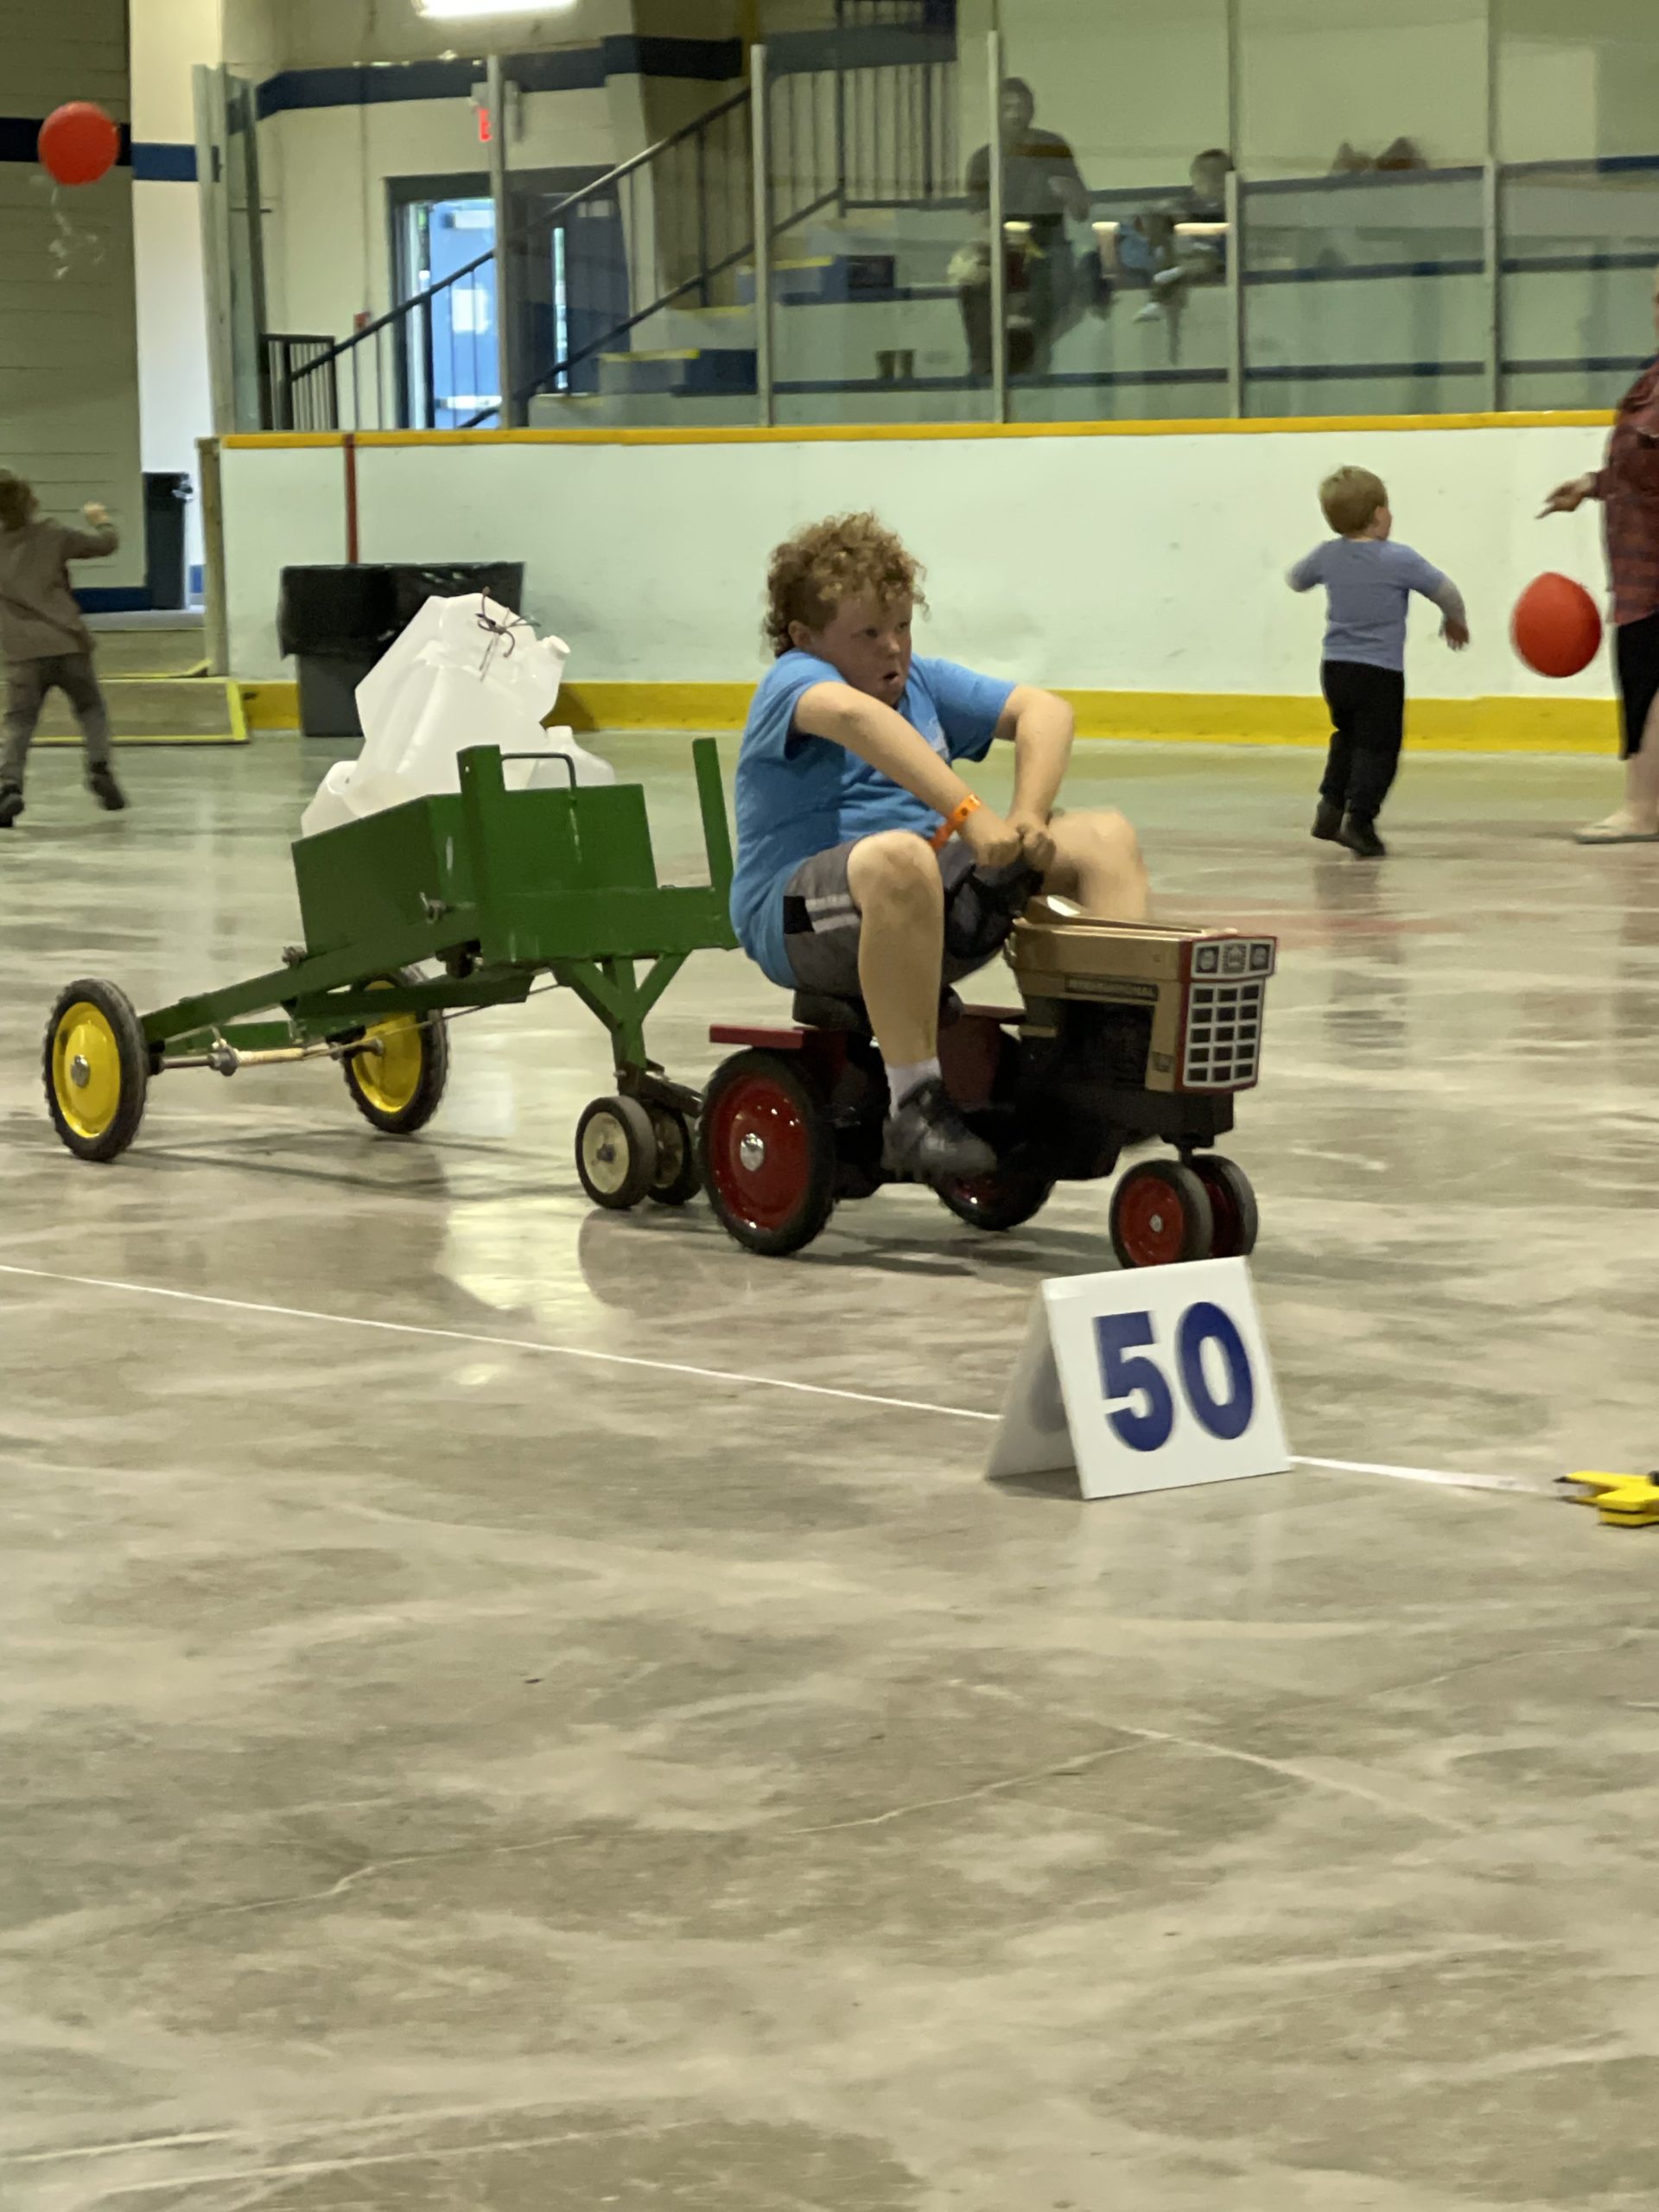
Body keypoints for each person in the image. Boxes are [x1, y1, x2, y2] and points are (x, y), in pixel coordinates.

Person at [729, 512, 1147, 1179]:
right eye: (869, 634)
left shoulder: (917, 681)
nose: (893, 647)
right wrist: (969, 814)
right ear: (805, 638)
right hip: (795, 916)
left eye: (902, 626)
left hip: (919, 896)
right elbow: (856, 720)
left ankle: (1108, 1060)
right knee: (900, 857)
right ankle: (914, 1106)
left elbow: (1046, 711)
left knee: (1103, 836)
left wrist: (1028, 815)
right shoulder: (795, 681)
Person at [1287, 465, 1470, 859]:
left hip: (1335, 669)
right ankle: (1360, 822)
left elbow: (1295, 579)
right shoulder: (1398, 558)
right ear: (1378, 515)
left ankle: (1331, 805)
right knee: (1379, 748)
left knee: (1347, 736)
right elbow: (1446, 591)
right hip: (1380, 672)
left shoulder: (1328, 554)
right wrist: (1455, 620)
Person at [1541, 264, 1659, 843]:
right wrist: (1592, 484)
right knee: (1642, 682)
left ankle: (1644, 810)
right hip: (1639, 570)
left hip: (1654, 574)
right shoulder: (1652, 381)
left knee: (1651, 687)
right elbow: (1639, 471)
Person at [0, 471, 126, 827]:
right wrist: (101, 520)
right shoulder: (54, 534)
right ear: (30, 501)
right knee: (90, 708)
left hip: (22, 651)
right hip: (68, 642)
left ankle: (8, 787)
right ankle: (99, 767)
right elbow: (106, 545)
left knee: (19, 722)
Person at [957, 77, 1090, 378]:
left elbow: (1081, 210)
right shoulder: (983, 160)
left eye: (1021, 107)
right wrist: (998, 245)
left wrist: (1066, 191)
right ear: (996, 113)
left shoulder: (1052, 148)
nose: (1015, 114)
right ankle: (985, 369)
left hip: (1048, 248)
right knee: (973, 285)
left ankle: (1032, 362)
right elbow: (980, 220)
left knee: (1046, 295)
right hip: (1001, 251)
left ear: (1032, 110)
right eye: (1008, 108)